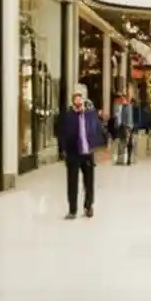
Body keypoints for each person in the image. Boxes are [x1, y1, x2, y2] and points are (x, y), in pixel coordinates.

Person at [60, 91, 105, 219]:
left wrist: (99, 144)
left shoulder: (90, 115)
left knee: (89, 182)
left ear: (83, 101)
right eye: (76, 100)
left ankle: (88, 206)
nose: (78, 103)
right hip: (73, 153)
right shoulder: (68, 117)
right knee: (72, 182)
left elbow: (97, 129)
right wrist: (63, 149)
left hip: (87, 153)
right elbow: (62, 134)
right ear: (73, 102)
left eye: (80, 100)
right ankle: (72, 210)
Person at [110, 94, 134, 166]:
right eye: (121, 99)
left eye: (123, 99)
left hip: (126, 126)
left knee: (128, 142)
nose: (122, 100)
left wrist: (129, 127)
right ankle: (119, 159)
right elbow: (115, 116)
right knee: (119, 142)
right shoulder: (117, 106)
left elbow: (129, 116)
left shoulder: (128, 106)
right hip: (119, 126)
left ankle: (128, 159)